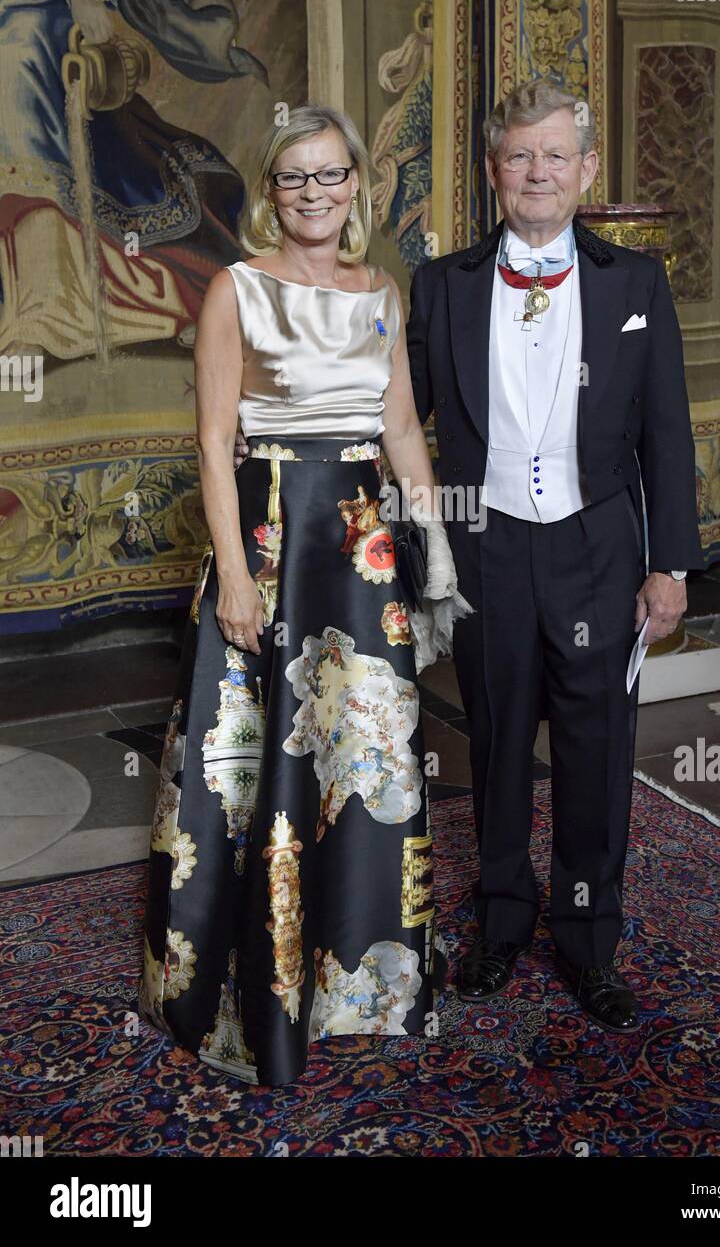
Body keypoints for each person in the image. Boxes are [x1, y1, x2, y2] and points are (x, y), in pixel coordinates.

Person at [138, 103, 461, 1087]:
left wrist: (434, 540)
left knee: (363, 758)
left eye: (330, 175)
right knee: (252, 768)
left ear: (357, 184)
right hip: (273, 535)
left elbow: (400, 426)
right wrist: (234, 575)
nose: (313, 193)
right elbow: (209, 440)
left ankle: (362, 985)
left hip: (360, 552)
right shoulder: (237, 289)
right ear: (270, 192)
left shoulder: (379, 293)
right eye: (294, 178)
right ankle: (248, 995)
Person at [405, 79, 705, 1029]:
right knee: (492, 744)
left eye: (555, 156)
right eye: (519, 156)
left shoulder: (635, 283)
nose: (538, 173)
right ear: (494, 171)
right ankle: (500, 926)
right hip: (485, 545)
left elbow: (668, 433)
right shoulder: (441, 284)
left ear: (587, 171)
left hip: (599, 551)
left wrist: (673, 566)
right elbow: (394, 416)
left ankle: (586, 939)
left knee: (596, 748)